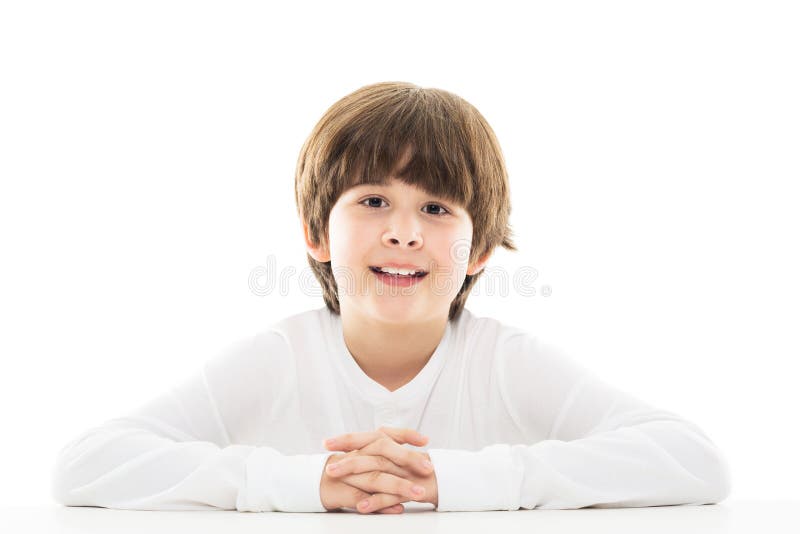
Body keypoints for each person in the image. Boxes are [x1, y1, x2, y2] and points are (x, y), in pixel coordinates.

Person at [50, 81, 732, 514]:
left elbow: (693, 457)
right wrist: (302, 483)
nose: (404, 233)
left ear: (482, 250)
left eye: (437, 209)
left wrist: (453, 480)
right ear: (318, 232)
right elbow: (86, 463)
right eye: (374, 200)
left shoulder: (503, 362)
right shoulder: (279, 358)